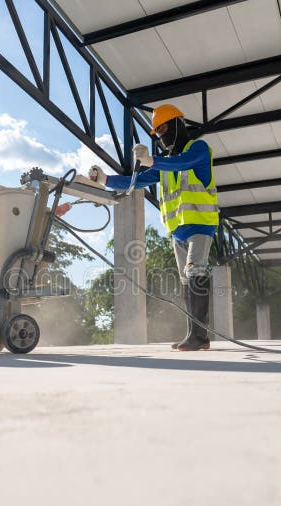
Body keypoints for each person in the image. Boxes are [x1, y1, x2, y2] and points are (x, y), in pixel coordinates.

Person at [88, 104, 218, 350]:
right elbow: (136, 181)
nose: (161, 136)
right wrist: (105, 179)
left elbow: (184, 162)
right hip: (178, 231)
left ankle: (200, 336)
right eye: (157, 132)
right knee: (186, 280)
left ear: (178, 124)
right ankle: (195, 334)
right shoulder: (164, 164)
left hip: (201, 224)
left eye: (163, 129)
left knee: (196, 271)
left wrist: (150, 160)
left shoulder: (199, 148)